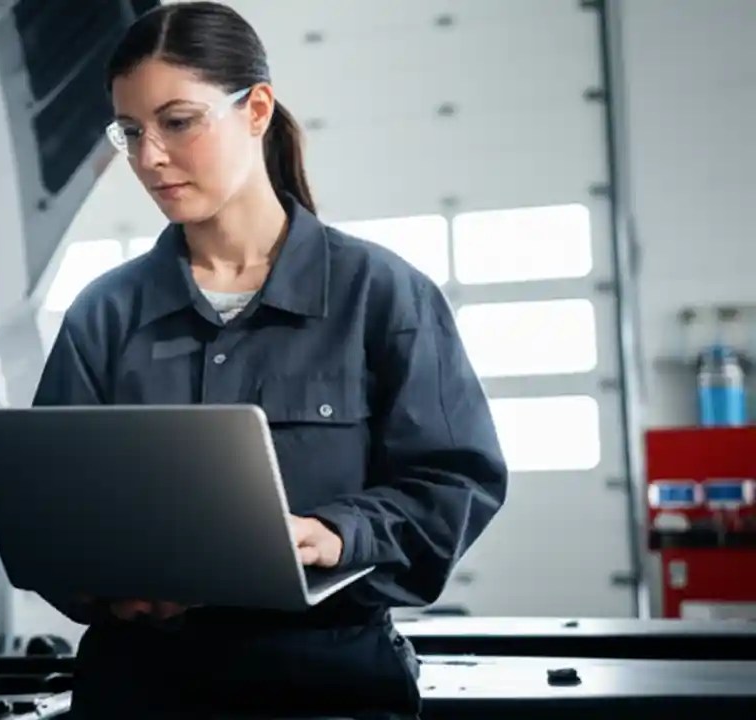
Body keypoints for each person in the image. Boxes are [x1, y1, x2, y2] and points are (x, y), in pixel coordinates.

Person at [31, 2, 508, 718]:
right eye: (130, 131)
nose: (148, 157)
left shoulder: (381, 297)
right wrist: (101, 587)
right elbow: (48, 514)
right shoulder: (104, 315)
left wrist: (336, 534)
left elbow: (453, 488)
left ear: (256, 109)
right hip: (139, 692)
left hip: (328, 690)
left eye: (178, 121)